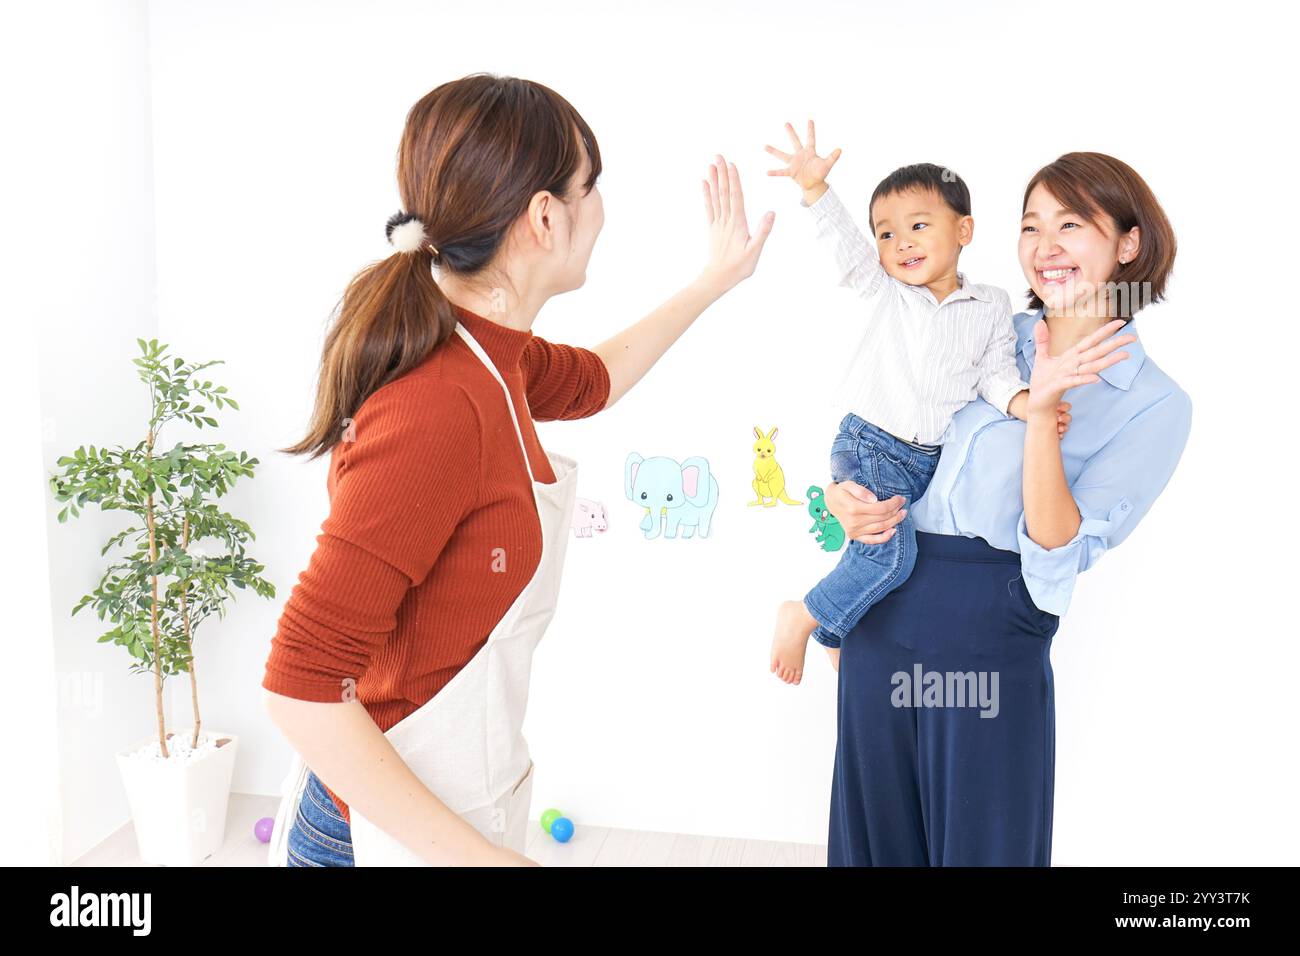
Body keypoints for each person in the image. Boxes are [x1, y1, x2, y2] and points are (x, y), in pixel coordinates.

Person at [260, 73, 773, 866]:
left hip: (455, 807)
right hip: (374, 838)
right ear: (544, 215)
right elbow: (301, 684)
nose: (599, 207)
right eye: (588, 186)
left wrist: (714, 279)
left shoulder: (497, 359)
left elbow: (597, 378)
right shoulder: (436, 405)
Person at [817, 150, 1191, 865]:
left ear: (1128, 243)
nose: (1045, 247)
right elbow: (895, 428)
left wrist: (1043, 414)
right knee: (874, 844)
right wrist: (843, 495)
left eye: (1072, 224)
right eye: (1031, 226)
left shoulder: (1154, 405)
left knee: (983, 847)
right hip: (887, 609)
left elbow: (1061, 546)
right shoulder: (980, 329)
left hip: (990, 630)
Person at [764, 121, 1070, 684]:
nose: (900, 243)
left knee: (880, 554)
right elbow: (849, 254)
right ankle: (809, 617)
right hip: (871, 441)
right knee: (890, 556)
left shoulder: (991, 305)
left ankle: (836, 628)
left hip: (921, 459)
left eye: (918, 226)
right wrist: (815, 191)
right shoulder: (889, 294)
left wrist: (1029, 405)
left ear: (965, 230)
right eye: (885, 233)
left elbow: (995, 376)